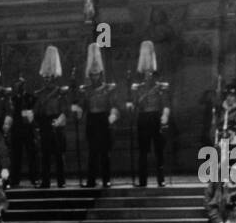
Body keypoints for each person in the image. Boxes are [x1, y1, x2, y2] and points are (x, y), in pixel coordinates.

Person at [72, 42, 119, 188]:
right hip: (92, 120)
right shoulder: (85, 90)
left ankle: (106, 179)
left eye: (96, 74)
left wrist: (112, 116)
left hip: (103, 120)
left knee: (105, 153)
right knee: (92, 153)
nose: (94, 77)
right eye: (92, 75)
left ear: (100, 74)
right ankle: (91, 180)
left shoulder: (108, 89)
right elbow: (83, 106)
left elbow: (114, 106)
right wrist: (77, 110)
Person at [129, 41, 171, 187]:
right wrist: (131, 104)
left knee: (159, 150)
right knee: (143, 151)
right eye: (146, 73)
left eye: (150, 73)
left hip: (156, 118)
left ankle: (161, 179)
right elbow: (135, 105)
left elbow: (166, 104)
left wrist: (165, 116)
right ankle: (142, 180)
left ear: (154, 73)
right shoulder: (137, 88)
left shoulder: (161, 88)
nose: (148, 75)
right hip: (143, 118)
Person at [33, 46, 70, 189]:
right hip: (44, 124)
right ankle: (45, 181)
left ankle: (61, 181)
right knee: (45, 155)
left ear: (54, 77)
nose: (47, 79)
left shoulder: (60, 92)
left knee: (59, 154)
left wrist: (60, 120)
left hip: (57, 123)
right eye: (45, 77)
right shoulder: (39, 93)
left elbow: (65, 109)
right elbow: (37, 110)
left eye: (49, 77)